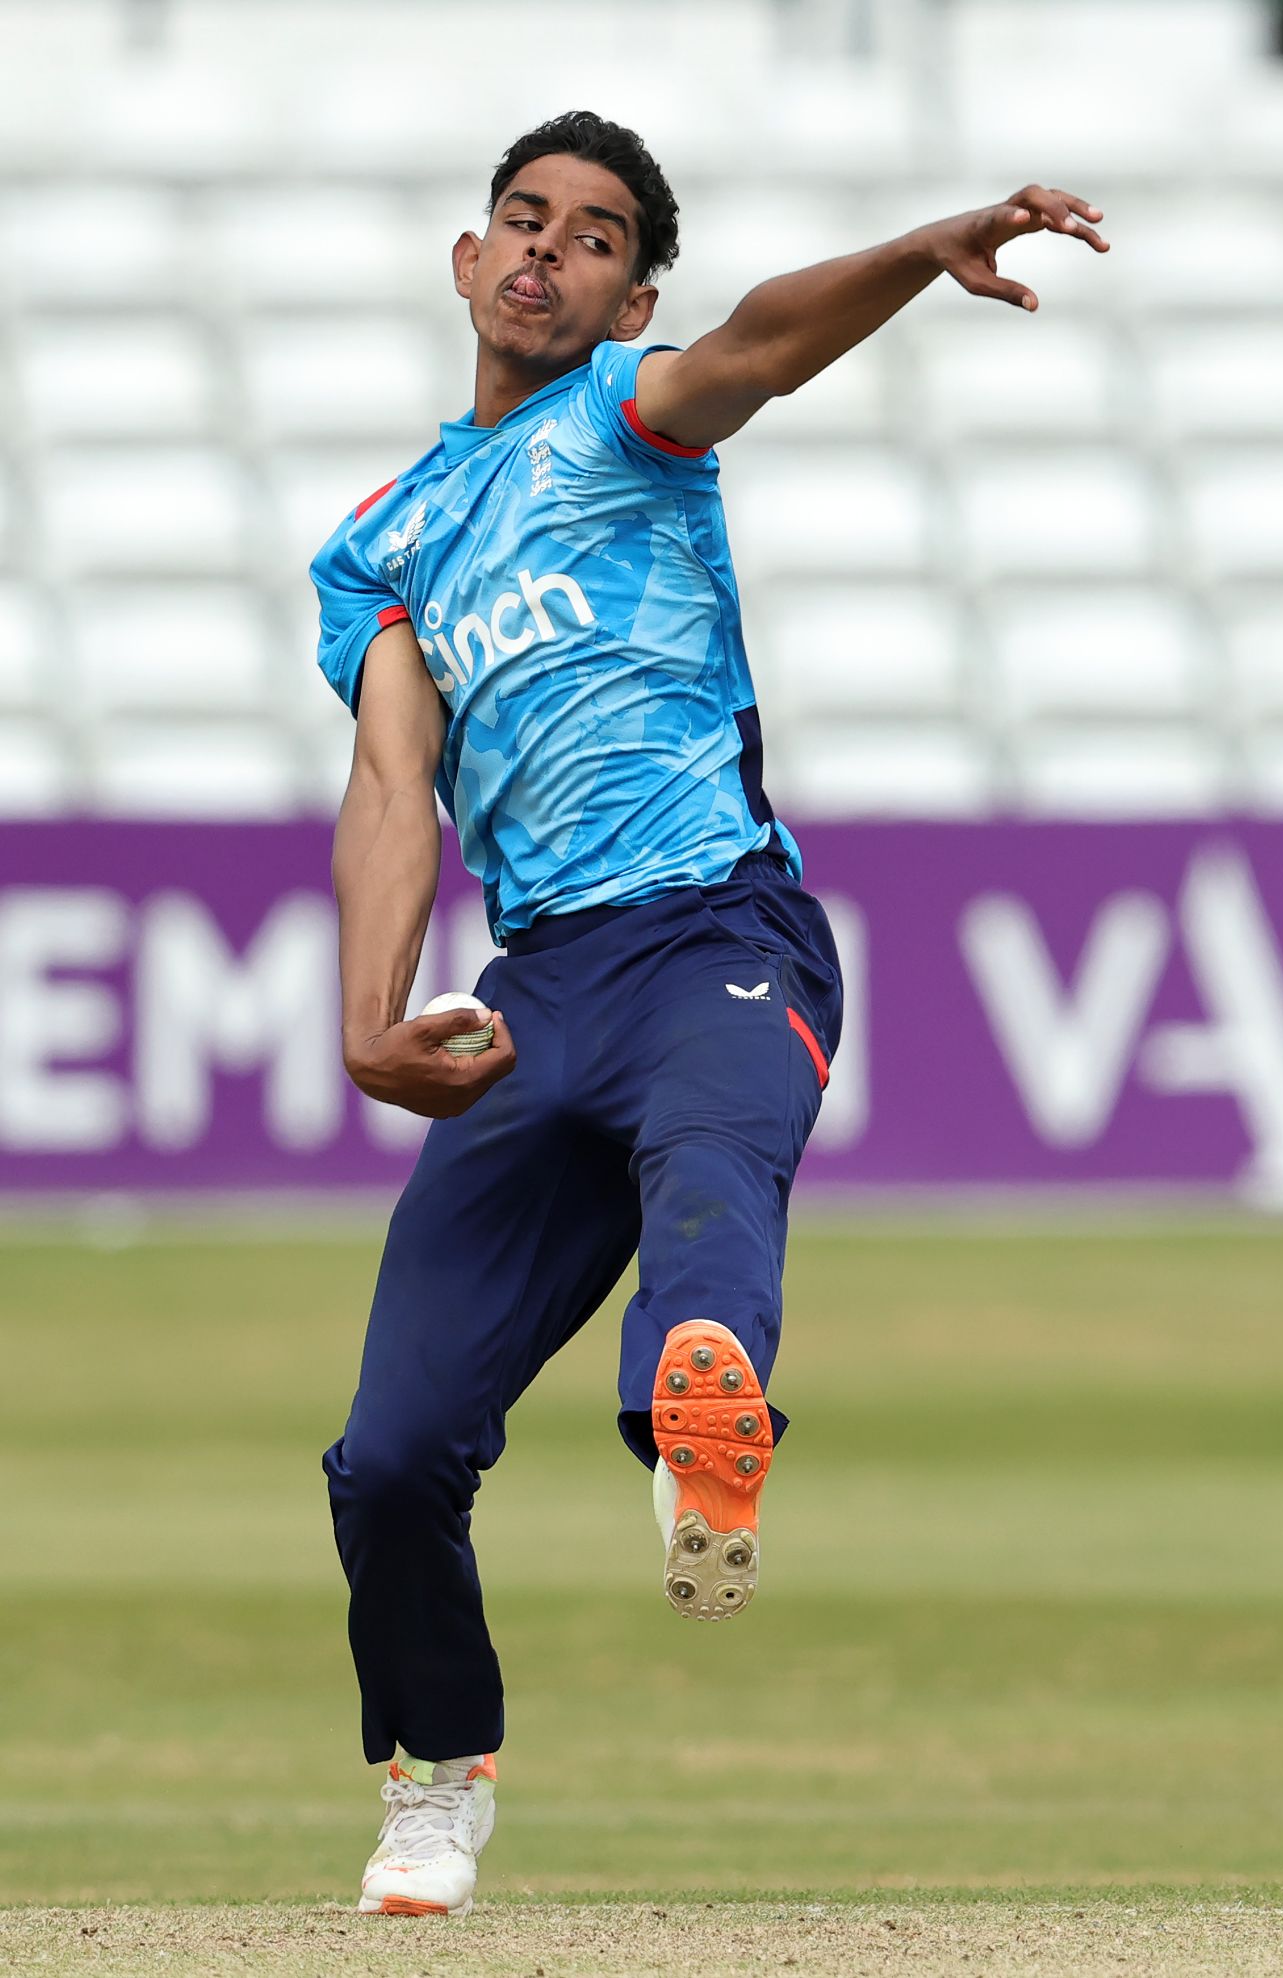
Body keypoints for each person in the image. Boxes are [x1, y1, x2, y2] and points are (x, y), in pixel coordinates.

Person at [311, 108, 1107, 1918]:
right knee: (390, 1452)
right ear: (465, 258)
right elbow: (388, 779)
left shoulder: (628, 418)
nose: (545, 251)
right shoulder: (378, 544)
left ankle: (698, 1420)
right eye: (520, 220)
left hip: (717, 938)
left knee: (710, 1181)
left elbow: (756, 348)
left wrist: (921, 250)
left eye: (591, 237)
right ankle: (435, 1775)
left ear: (629, 294)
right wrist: (369, 1018)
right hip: (535, 995)